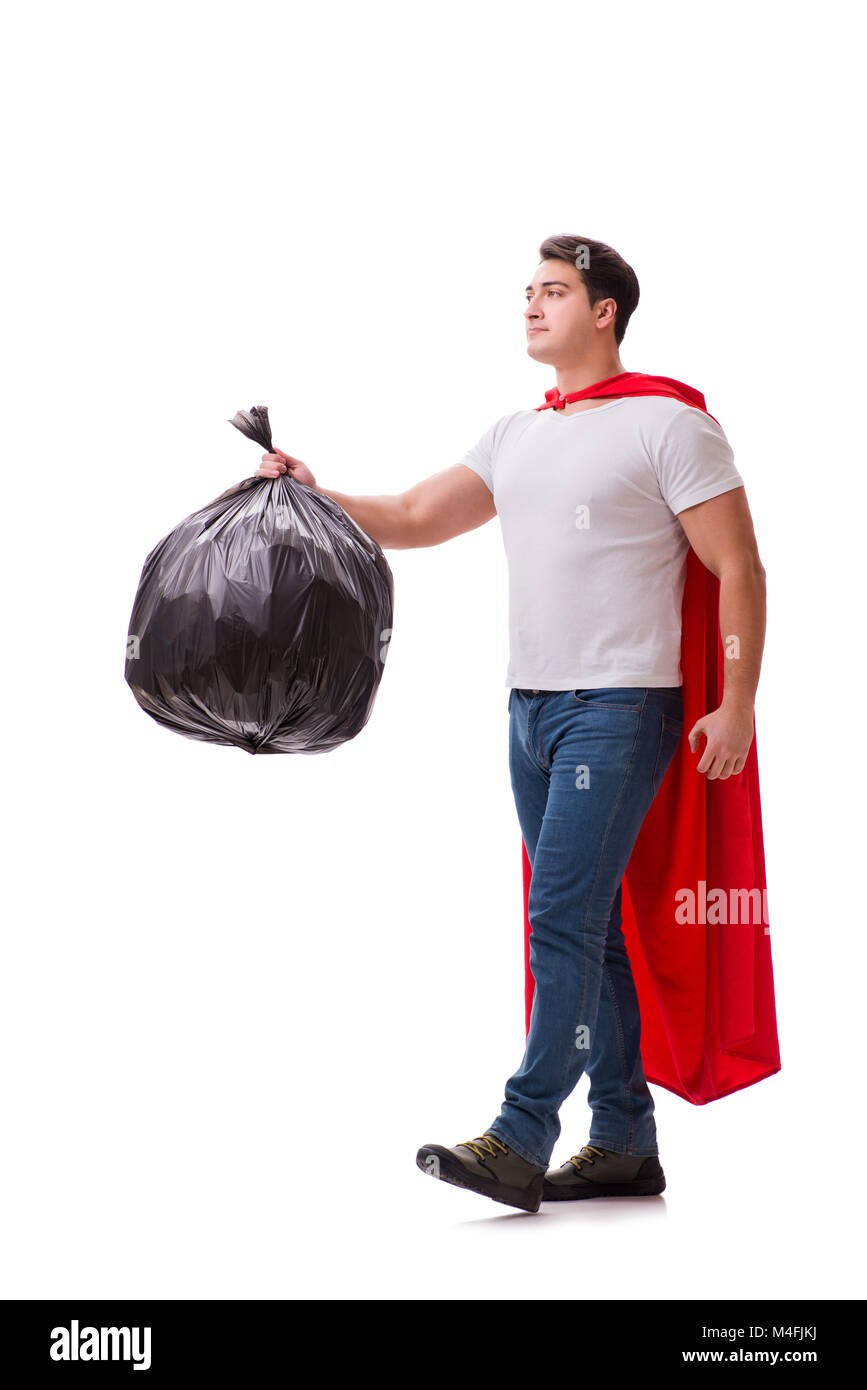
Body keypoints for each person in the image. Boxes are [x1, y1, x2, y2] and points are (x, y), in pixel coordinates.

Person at [254, 233, 766, 1214]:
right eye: (527, 291)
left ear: (605, 310)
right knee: (594, 923)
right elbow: (409, 513)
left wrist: (736, 699)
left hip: (622, 705)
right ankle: (621, 1138)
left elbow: (740, 566)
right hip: (530, 708)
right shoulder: (515, 434)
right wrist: (319, 496)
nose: (531, 305)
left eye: (555, 291)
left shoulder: (668, 425)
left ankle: (521, 1133)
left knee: (559, 917)